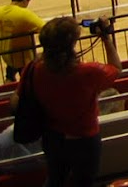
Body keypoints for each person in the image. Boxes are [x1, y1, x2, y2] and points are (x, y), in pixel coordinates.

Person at [25, 15, 121, 187]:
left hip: (52, 138)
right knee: (84, 182)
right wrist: (106, 37)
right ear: (71, 46)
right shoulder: (88, 72)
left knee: (55, 179)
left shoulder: (32, 69)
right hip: (84, 138)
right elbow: (116, 68)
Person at [0, 0, 45, 82]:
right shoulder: (24, 14)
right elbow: (45, 28)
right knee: (28, 81)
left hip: (7, 55)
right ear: (26, 0)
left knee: (9, 77)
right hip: (22, 58)